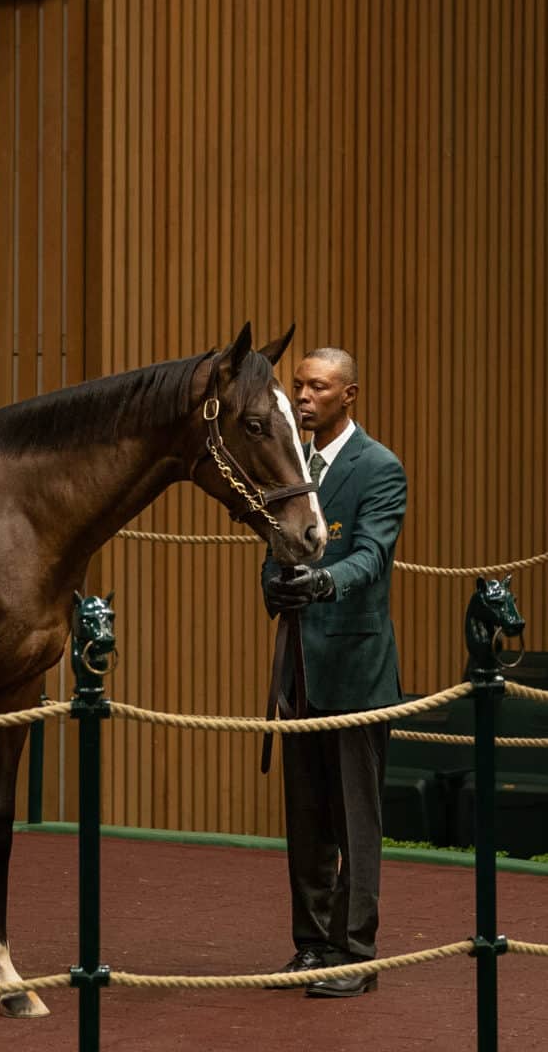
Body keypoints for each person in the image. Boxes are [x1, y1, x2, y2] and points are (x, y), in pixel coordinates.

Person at [261, 346, 406, 998]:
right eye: (299, 386)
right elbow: (278, 549)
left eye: (318, 388)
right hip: (298, 671)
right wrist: (276, 586)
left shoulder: (379, 468)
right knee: (307, 818)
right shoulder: (291, 463)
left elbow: (372, 557)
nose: (304, 397)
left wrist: (320, 583)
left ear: (350, 395)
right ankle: (312, 947)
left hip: (355, 669)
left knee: (355, 821)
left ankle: (355, 953)